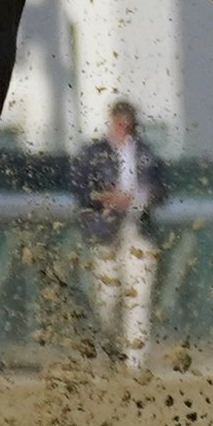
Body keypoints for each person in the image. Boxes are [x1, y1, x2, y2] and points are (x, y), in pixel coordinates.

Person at [69, 101, 168, 369]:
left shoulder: (147, 153)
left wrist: (142, 198)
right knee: (107, 299)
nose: (126, 129)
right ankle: (108, 352)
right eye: (121, 123)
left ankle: (135, 363)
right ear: (112, 121)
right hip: (105, 233)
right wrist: (105, 198)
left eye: (129, 124)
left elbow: (161, 189)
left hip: (139, 231)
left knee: (139, 296)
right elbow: (80, 191)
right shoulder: (92, 154)